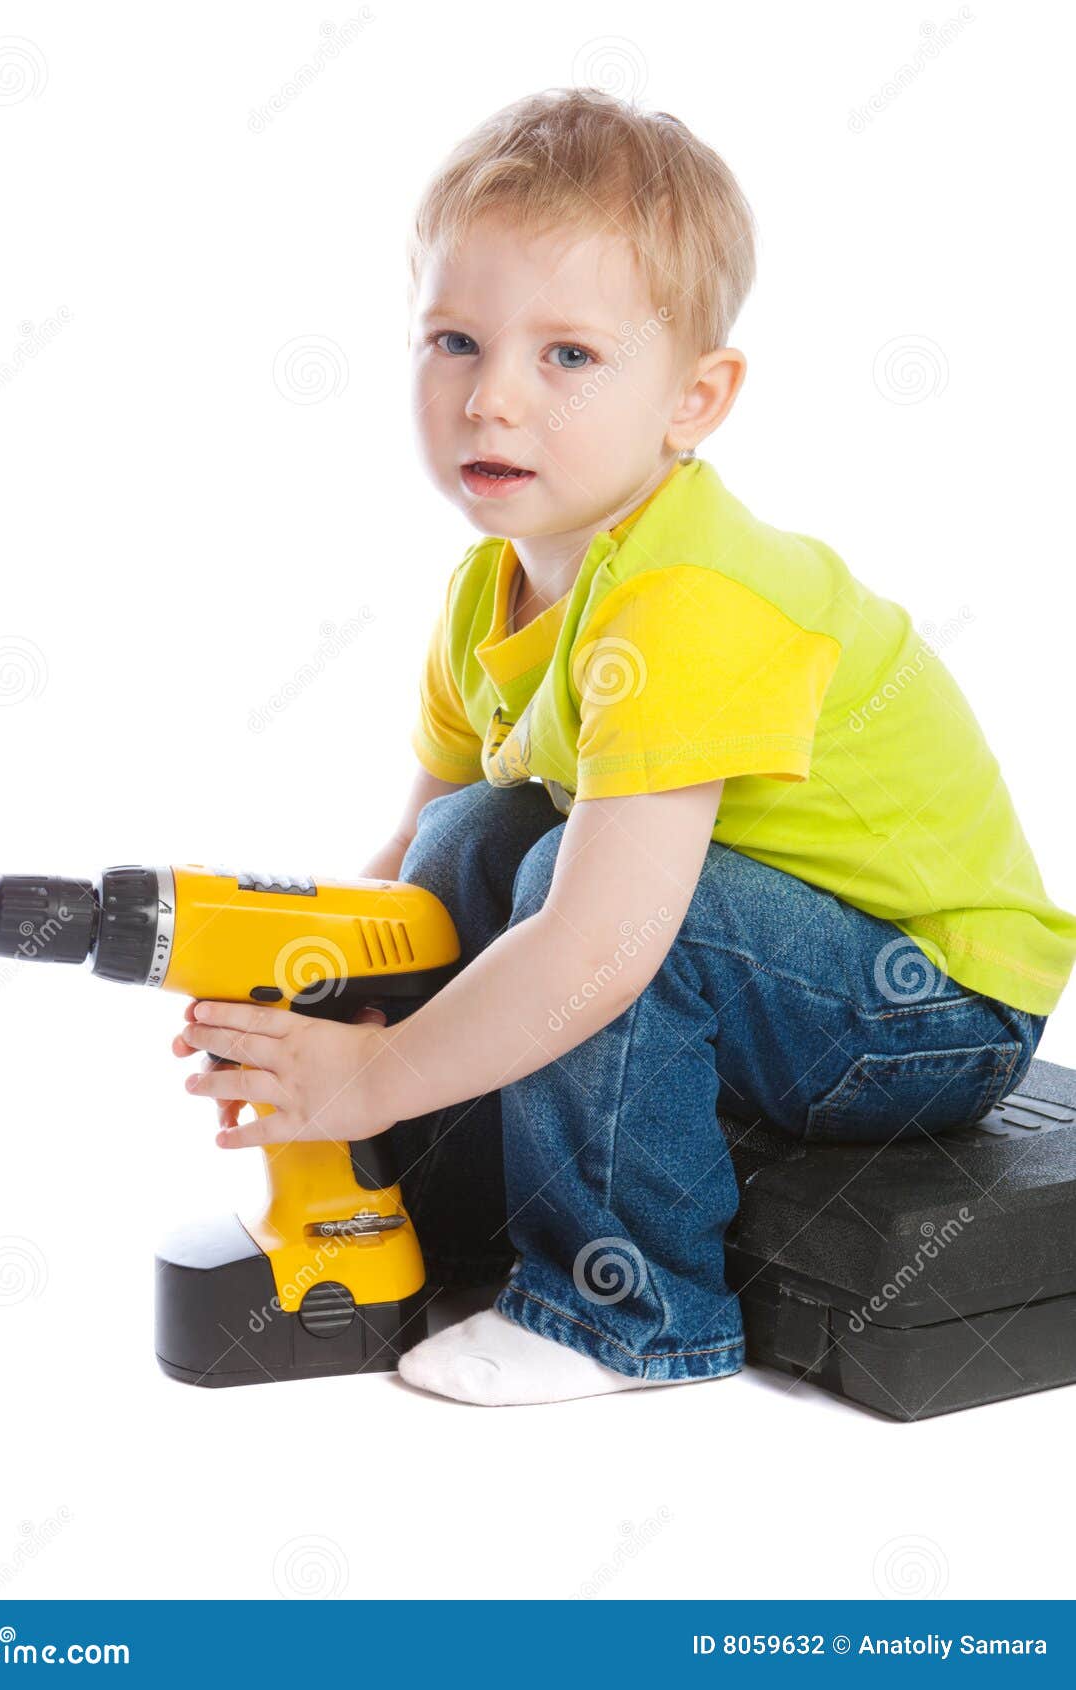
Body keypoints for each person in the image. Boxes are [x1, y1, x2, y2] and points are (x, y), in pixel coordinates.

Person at [175, 88, 1074, 1406]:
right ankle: (455, 1203)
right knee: (472, 838)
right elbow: (410, 875)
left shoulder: (687, 601)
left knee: (573, 905)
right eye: (454, 339)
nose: (491, 397)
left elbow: (600, 949)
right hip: (774, 956)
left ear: (693, 400)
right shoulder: (488, 591)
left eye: (568, 357)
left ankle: (628, 1311)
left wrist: (373, 1075)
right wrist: (316, 994)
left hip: (924, 1002)